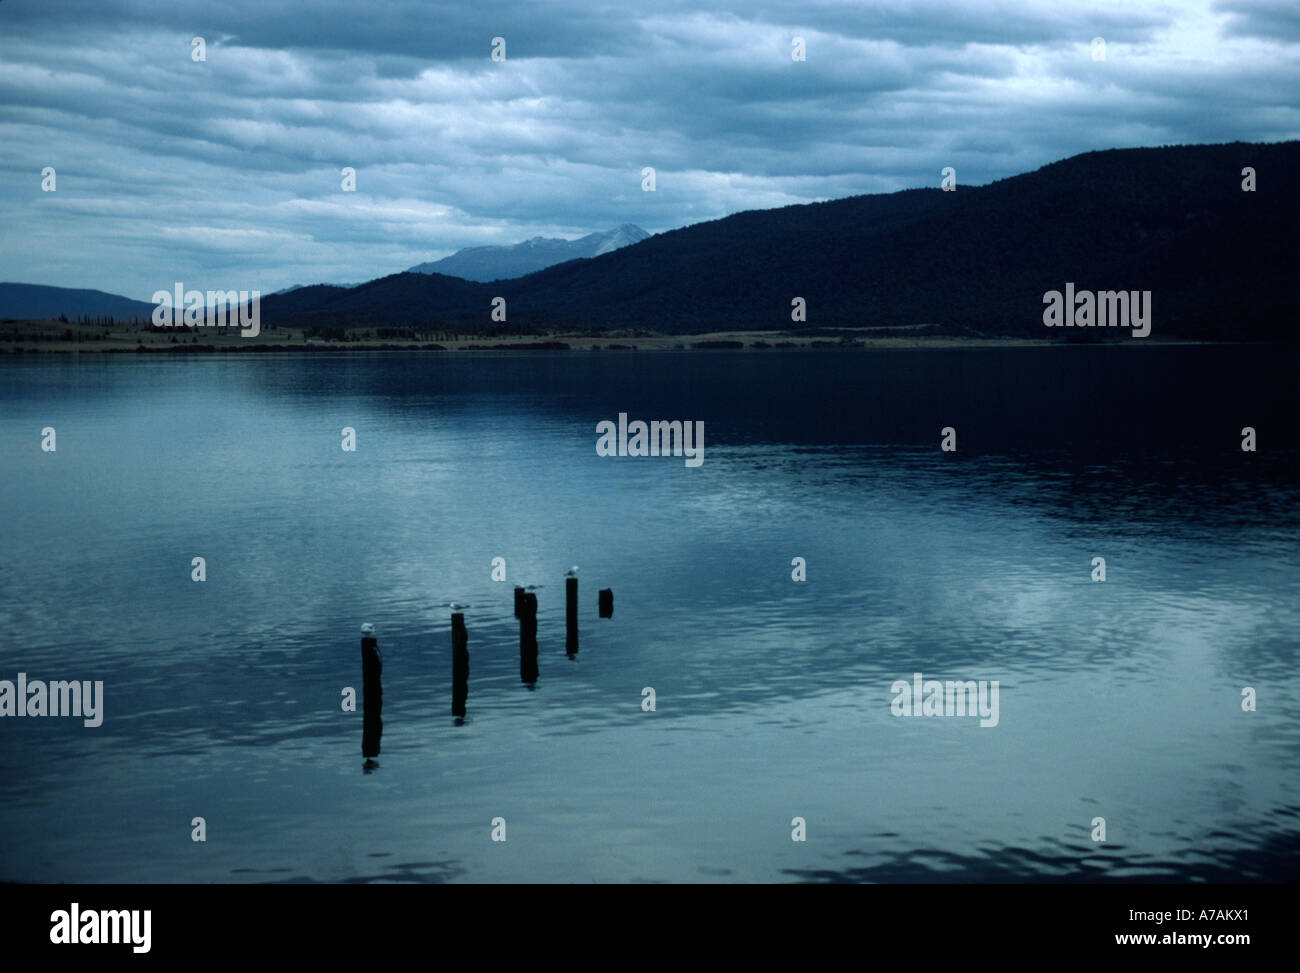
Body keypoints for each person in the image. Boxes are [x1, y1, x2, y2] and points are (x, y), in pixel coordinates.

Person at [360, 623, 382, 762]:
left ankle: (370, 751)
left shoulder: (369, 641)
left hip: (372, 686)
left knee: (372, 705)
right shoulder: (371, 645)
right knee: (373, 703)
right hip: (372, 687)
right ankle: (371, 751)